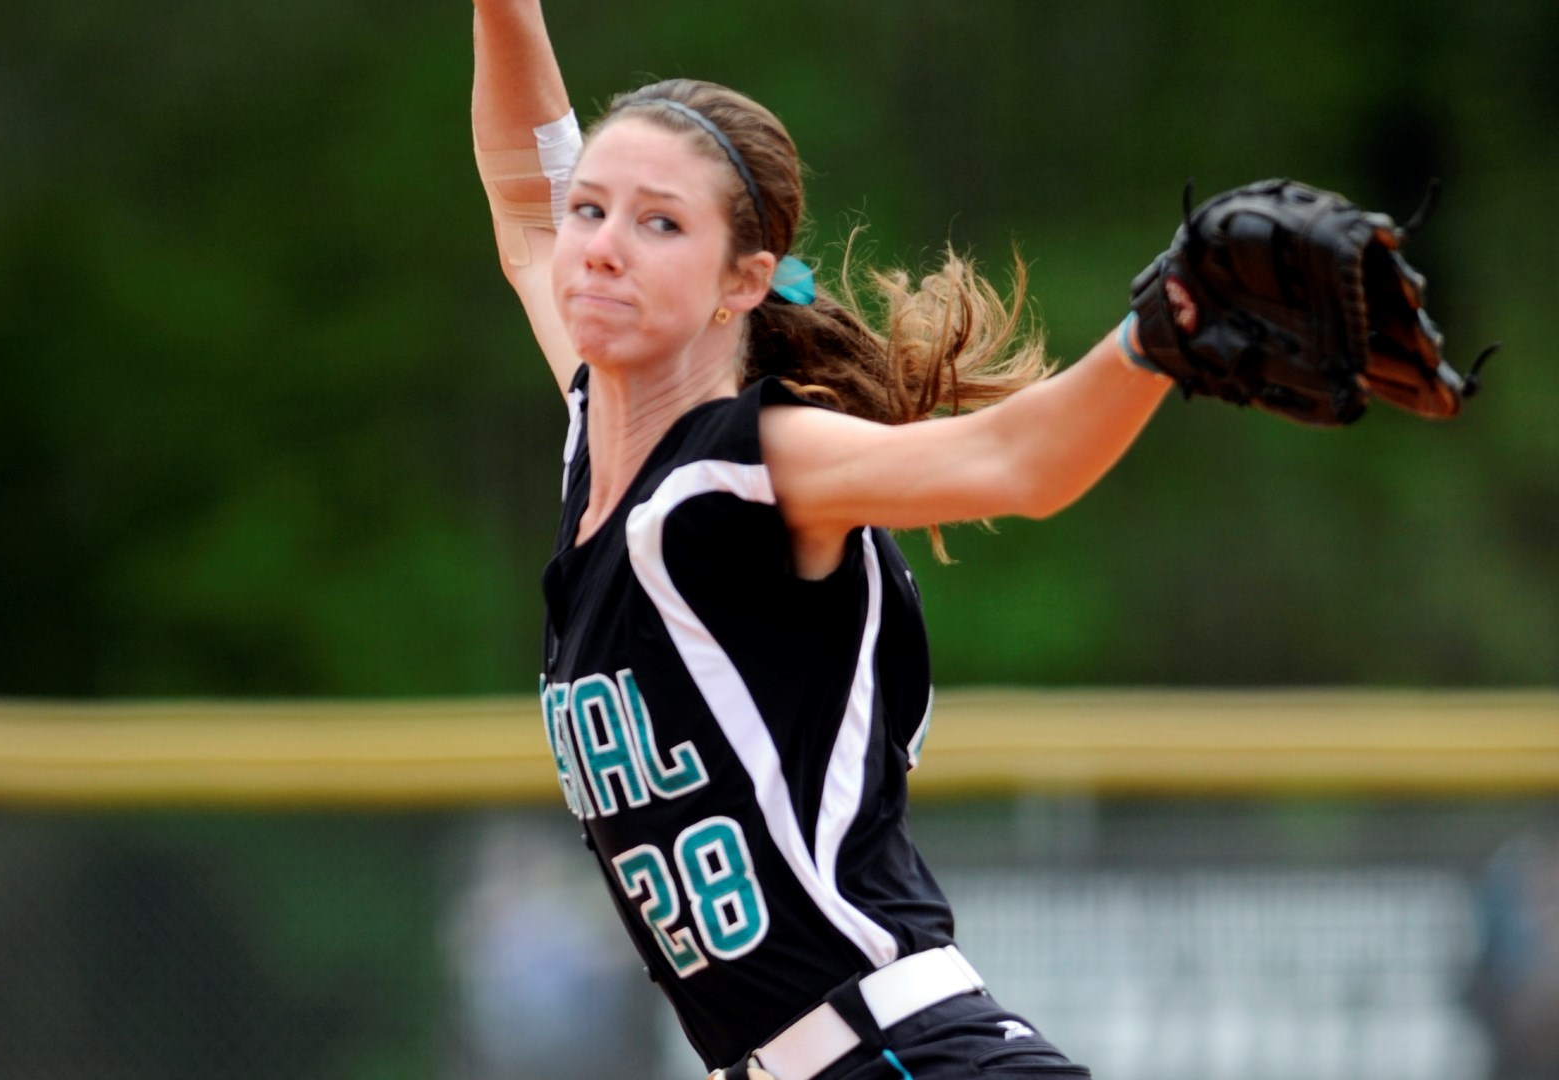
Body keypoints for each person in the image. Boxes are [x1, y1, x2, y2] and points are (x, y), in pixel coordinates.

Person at [470, 3, 1184, 1077]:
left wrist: (1167, 326)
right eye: (593, 212)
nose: (603, 248)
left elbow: (1018, 466)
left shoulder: (751, 462)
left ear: (743, 282)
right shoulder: (603, 449)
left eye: (660, 224)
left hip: (900, 1055)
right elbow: (524, 192)